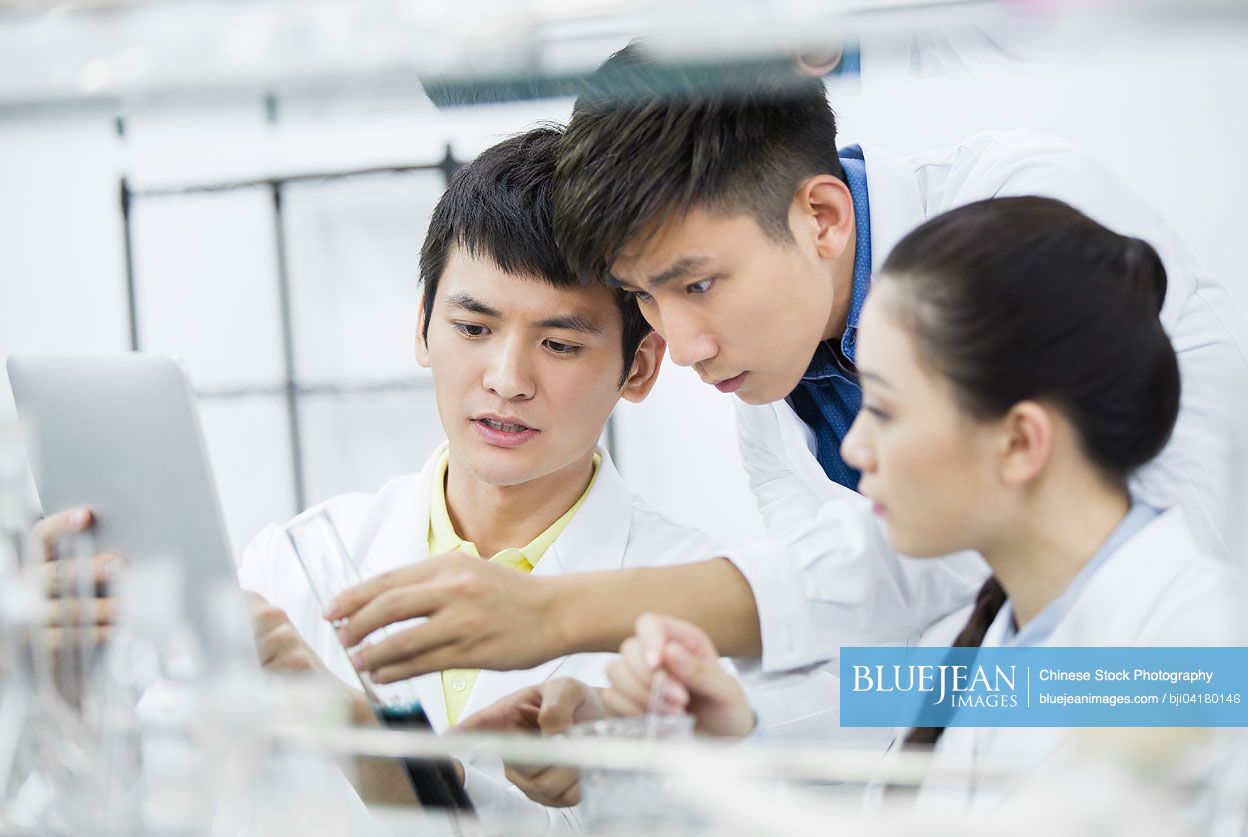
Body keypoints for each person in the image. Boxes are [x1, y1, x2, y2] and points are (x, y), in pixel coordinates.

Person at [325, 41, 1248, 692]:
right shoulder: (775, 393)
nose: (681, 345)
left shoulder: (1029, 218)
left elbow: (1161, 670)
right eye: (645, 296)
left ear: (821, 218)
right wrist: (679, 723)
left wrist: (565, 614)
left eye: (697, 284)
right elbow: (874, 647)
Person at [35, 126, 729, 830]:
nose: (506, 380)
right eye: (473, 329)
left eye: (558, 344)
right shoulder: (295, 563)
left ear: (638, 368)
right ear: (422, 325)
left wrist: (353, 728)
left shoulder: (694, 598)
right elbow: (149, 807)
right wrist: (70, 681)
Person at [598, 196, 1238, 807]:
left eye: (884, 408)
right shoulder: (988, 644)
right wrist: (738, 733)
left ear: (1020, 441)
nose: (853, 449)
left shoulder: (1201, 653)